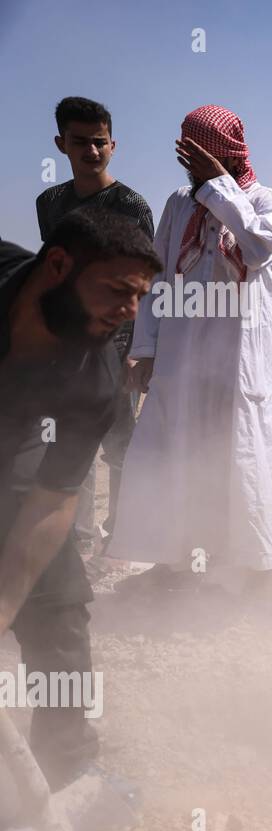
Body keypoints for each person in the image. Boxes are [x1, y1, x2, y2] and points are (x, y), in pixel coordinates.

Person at [0, 210, 160, 789]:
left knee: (59, 600)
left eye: (140, 297)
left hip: (14, 449)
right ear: (58, 265)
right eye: (117, 289)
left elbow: (53, 499)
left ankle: (65, 773)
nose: (129, 311)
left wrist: (4, 604)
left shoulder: (95, 378)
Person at [109, 105, 272, 592]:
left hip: (237, 362)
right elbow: (158, 273)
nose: (191, 164)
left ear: (225, 152)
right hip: (183, 358)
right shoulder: (179, 204)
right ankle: (175, 562)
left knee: (237, 458)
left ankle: (249, 570)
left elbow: (258, 246)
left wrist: (218, 185)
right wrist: (145, 349)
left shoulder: (264, 199)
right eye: (187, 153)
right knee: (178, 454)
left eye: (200, 152)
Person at [35, 97, 154, 552]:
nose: (91, 151)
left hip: (116, 345)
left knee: (122, 447)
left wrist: (137, 351)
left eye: (100, 142)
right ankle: (78, 541)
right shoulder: (50, 203)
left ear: (113, 145)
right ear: (61, 143)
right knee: (70, 446)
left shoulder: (129, 205)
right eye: (80, 142)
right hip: (65, 347)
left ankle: (120, 536)